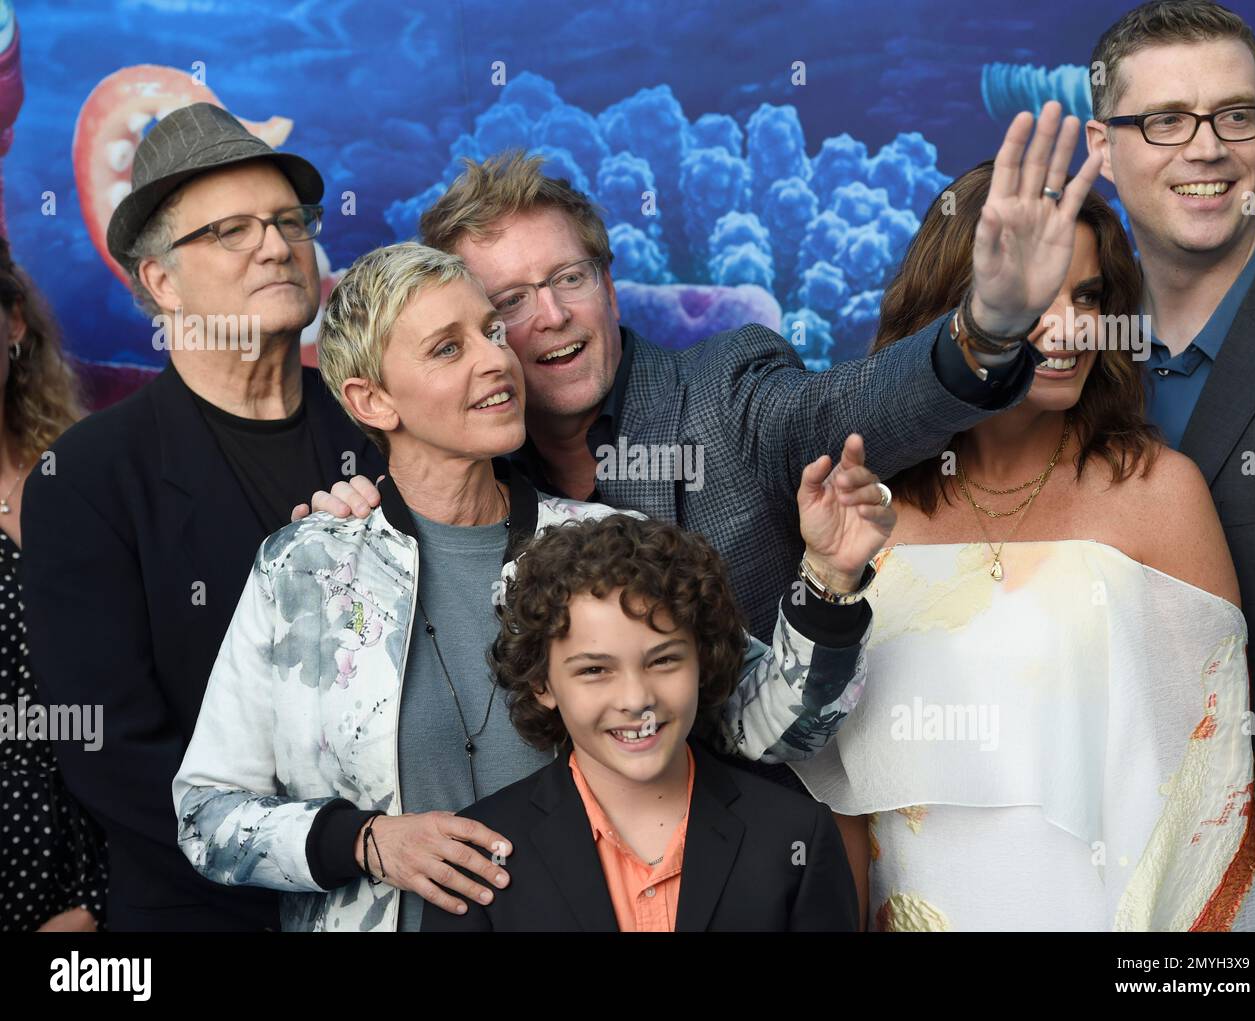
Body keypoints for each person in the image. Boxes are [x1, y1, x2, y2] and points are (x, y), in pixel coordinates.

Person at [305, 102, 1101, 791]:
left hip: (762, 840)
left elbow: (846, 408)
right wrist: (375, 515)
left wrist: (986, 330)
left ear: (610, 287)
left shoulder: (726, 385)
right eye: (509, 301)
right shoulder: (469, 477)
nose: (550, 315)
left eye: (570, 278)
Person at [172, 241, 893, 932]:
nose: (497, 358)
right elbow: (204, 818)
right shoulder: (301, 568)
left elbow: (775, 726)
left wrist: (828, 580)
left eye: (491, 330)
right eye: (449, 347)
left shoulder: (597, 543)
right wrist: (365, 840)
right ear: (372, 399)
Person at [791, 159, 1255, 931]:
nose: (1072, 327)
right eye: (1039, 297)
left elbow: (1212, 788)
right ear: (958, 308)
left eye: (1087, 297)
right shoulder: (866, 516)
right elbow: (838, 792)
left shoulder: (1159, 494)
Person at [20, 103, 385, 931]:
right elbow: (111, 755)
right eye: (230, 230)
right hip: (208, 911)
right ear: (160, 281)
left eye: (289, 221)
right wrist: (331, 848)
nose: (275, 245)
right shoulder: (86, 480)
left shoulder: (385, 430)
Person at [1081, 0, 1255, 930]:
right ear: (1102, 147)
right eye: (1166, 121)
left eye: (1236, 116)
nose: (1206, 149)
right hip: (1095, 873)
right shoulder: (1064, 367)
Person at [423, 514, 860, 932]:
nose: (636, 700)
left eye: (664, 660)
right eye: (595, 670)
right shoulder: (478, 856)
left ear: (703, 661)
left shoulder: (795, 835)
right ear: (542, 683)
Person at [0, 237, 107, 932]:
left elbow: (170, 701)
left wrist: (101, 901)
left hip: (126, 888)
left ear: (14, 325)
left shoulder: (92, 477)